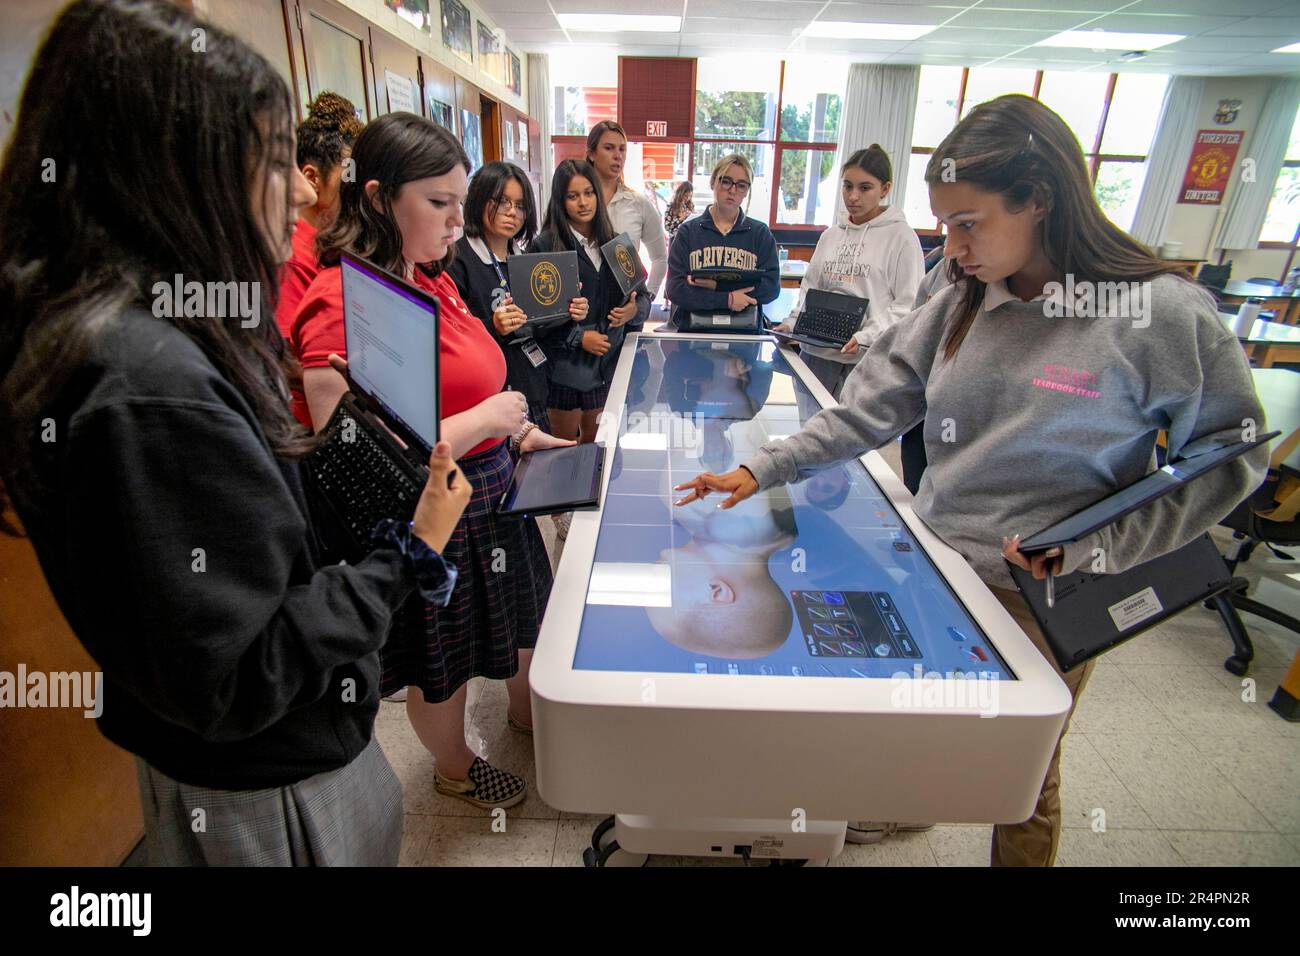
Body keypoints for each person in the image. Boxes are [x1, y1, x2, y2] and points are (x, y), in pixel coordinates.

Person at [673, 94, 1269, 866]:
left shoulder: (1156, 312)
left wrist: (1103, 544)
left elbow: (1234, 449)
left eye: (967, 223)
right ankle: (900, 808)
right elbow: (865, 412)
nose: (951, 247)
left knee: (1025, 782)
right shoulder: (961, 297)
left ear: (1039, 200)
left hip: (1044, 598)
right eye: (944, 225)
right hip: (937, 574)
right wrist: (761, 467)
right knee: (907, 725)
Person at [0, 0, 469, 866]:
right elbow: (240, 674)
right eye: (279, 160)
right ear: (182, 172)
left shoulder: (151, 330)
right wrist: (410, 549)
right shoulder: (149, 386)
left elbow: (236, 548)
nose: (300, 191)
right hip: (272, 790)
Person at [290, 113, 571, 810]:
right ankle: (454, 766)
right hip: (435, 511)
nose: (456, 221)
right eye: (439, 204)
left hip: (491, 489)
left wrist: (513, 434)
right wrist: (484, 420)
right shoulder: (343, 302)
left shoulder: (430, 276)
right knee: (441, 665)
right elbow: (351, 453)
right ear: (381, 197)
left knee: (517, 622)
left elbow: (460, 382)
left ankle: (531, 721)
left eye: (457, 202)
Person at [776, 145, 924, 399]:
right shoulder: (831, 236)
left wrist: (867, 336)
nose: (853, 196)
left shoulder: (902, 238)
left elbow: (908, 305)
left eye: (865, 188)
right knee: (810, 430)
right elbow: (810, 289)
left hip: (864, 361)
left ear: (885, 189)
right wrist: (792, 323)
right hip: (815, 355)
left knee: (852, 436)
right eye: (847, 186)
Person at [447, 160, 565, 434]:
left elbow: (542, 330)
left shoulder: (528, 262)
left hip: (532, 388)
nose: (513, 212)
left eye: (521, 205)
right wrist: (493, 326)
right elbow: (452, 337)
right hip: (488, 401)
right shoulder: (457, 261)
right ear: (478, 200)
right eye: (502, 202)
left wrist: (565, 308)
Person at [532, 159, 637, 444]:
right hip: (565, 366)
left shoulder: (616, 243)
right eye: (572, 195)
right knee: (560, 446)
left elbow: (643, 295)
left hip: (608, 361)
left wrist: (633, 309)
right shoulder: (546, 246)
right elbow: (536, 320)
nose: (583, 202)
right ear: (560, 200)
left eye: (589, 193)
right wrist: (579, 337)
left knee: (597, 444)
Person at [665, 153, 781, 332]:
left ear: (747, 190)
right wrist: (726, 299)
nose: (733, 190)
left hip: (745, 337)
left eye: (741, 185)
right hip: (694, 337)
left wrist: (718, 286)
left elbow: (771, 287)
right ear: (713, 183)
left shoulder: (760, 234)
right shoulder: (688, 232)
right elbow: (674, 288)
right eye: (726, 181)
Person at [586, 120, 668, 313]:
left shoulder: (638, 204)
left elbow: (660, 258)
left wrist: (646, 299)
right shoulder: (574, 201)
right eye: (609, 148)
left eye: (622, 150)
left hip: (623, 312)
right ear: (591, 154)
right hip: (582, 315)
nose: (617, 156)